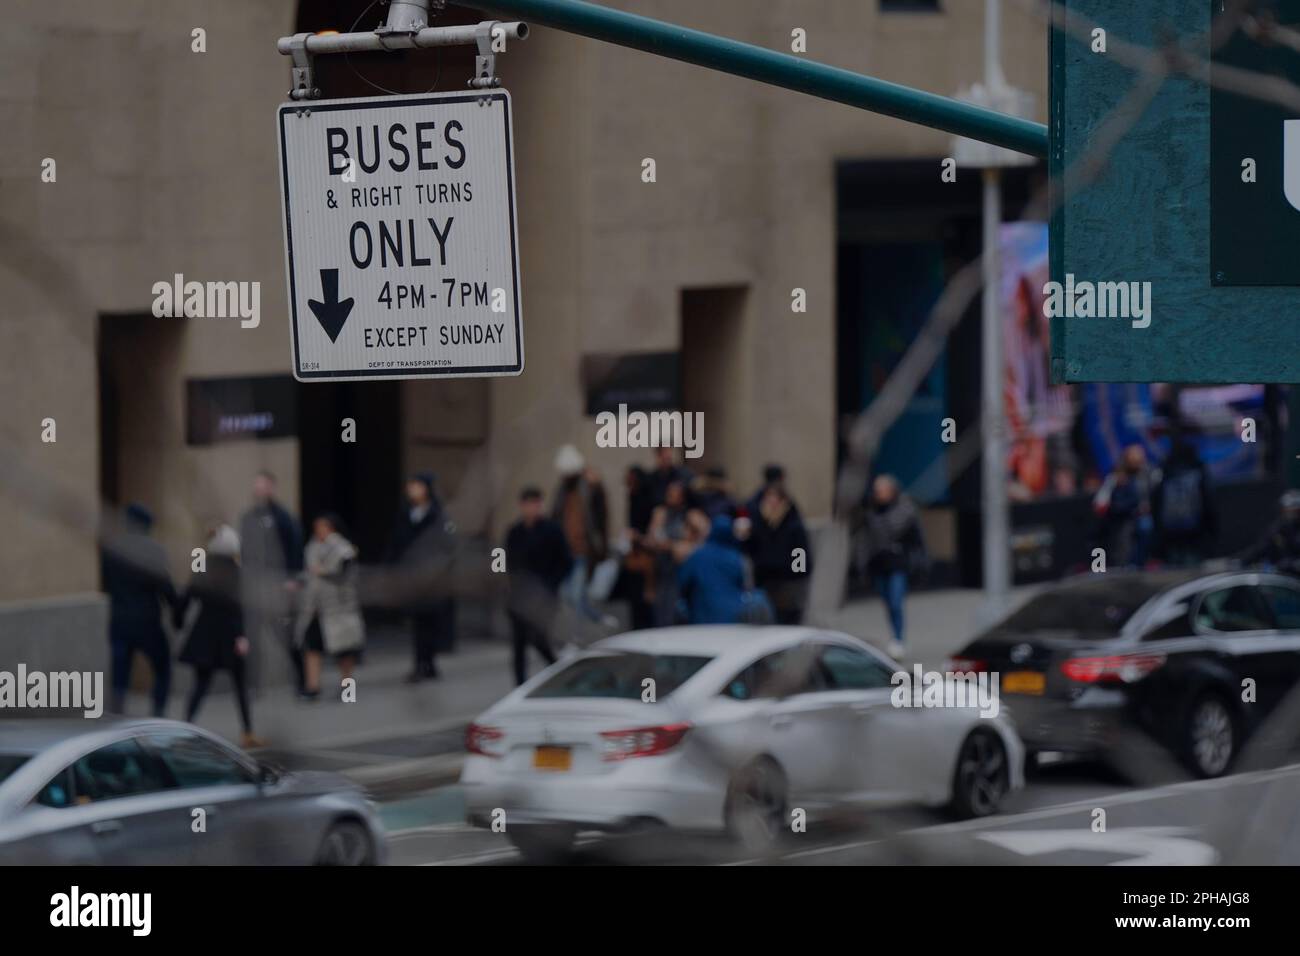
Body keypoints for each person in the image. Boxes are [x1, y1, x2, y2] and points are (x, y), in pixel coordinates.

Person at [175, 525, 262, 748]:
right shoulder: (236, 571)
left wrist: (178, 619)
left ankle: (185, 727)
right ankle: (248, 732)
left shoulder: (202, 567)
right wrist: (241, 635)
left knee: (200, 685)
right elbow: (238, 607)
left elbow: (187, 597)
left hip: (205, 633)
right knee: (240, 685)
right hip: (229, 634)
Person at [101, 503, 176, 716]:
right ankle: (158, 714)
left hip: (120, 621)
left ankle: (116, 717)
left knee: (119, 675)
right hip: (147, 622)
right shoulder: (154, 551)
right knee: (162, 668)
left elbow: (106, 582)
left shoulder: (112, 549)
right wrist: (177, 610)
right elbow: (165, 587)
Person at [385, 472, 457, 682]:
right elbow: (396, 543)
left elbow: (448, 546)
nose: (412, 490)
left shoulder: (438, 515)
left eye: (416, 486)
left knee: (431, 621)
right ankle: (420, 664)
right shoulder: (406, 514)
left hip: (433, 578)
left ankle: (429, 662)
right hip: (412, 576)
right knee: (417, 622)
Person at [237, 471, 304, 693]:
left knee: (284, 635)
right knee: (253, 637)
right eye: (256, 485)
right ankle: (253, 685)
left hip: (277, 587)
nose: (258, 489)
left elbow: (294, 547)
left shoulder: (283, 517)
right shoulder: (248, 518)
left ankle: (303, 679)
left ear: (272, 488)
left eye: (263, 485)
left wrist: (292, 578)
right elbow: (244, 550)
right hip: (254, 586)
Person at [504, 487, 572, 684]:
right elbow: (502, 558)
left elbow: (566, 562)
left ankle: (557, 672)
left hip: (544, 596)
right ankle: (520, 685)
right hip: (519, 595)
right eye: (528, 504)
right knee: (518, 643)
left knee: (539, 639)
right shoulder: (515, 532)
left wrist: (551, 585)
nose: (532, 508)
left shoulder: (552, 530)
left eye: (535, 504)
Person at [294, 514, 365, 701]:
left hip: (339, 608)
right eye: (317, 527)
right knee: (312, 647)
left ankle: (347, 689)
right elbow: (308, 574)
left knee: (345, 652)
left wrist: (324, 571)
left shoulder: (343, 549)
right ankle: (313, 687)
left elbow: (344, 573)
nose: (319, 531)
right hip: (315, 608)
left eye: (323, 527)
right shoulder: (312, 548)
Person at [862, 475, 926, 658]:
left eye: (882, 490)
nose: (879, 494)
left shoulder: (905, 510)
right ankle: (894, 635)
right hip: (879, 563)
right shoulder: (871, 511)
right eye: (876, 491)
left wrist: (918, 561)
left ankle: (898, 639)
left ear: (891, 491)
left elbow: (916, 540)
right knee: (888, 602)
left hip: (898, 563)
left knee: (896, 601)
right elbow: (866, 540)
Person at [550, 445, 610, 623]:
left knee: (576, 595)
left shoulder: (589, 489)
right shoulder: (562, 492)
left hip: (582, 550)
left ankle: (581, 632)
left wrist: (601, 546)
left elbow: (600, 517)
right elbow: (555, 517)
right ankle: (598, 620)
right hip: (564, 551)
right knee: (570, 595)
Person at [747, 482, 811, 625]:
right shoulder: (758, 523)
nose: (770, 503)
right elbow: (752, 549)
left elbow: (801, 558)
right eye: (767, 499)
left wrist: (793, 576)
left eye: (774, 498)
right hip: (765, 583)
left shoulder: (793, 524)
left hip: (787, 586)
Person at [1152, 434, 1216, 567]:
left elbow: (1156, 500)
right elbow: (1208, 500)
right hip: (1193, 527)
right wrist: (1212, 526)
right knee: (1193, 564)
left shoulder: (1165, 469)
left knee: (1173, 564)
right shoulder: (1198, 470)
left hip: (1170, 527)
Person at [1093, 444, 1155, 569]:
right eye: (1134, 460)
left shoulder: (1149, 474)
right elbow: (1100, 502)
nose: (1138, 464)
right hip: (1121, 519)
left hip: (1143, 519)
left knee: (1145, 526)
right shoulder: (1115, 477)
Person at [678, 515, 748, 625]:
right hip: (733, 617)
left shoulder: (698, 555)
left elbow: (682, 582)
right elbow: (744, 586)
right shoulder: (736, 558)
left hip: (703, 616)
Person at [645, 479, 693, 626]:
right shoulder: (660, 513)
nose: (670, 497)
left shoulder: (688, 516)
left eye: (674, 494)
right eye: (669, 493)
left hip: (679, 571)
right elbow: (654, 539)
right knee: (661, 612)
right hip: (661, 570)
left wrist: (673, 546)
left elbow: (690, 544)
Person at [1243, 489, 1300, 576]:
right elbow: (1260, 548)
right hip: (1284, 575)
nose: (1292, 514)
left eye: (1296, 511)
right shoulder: (1278, 529)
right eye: (1289, 510)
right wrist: (1243, 561)